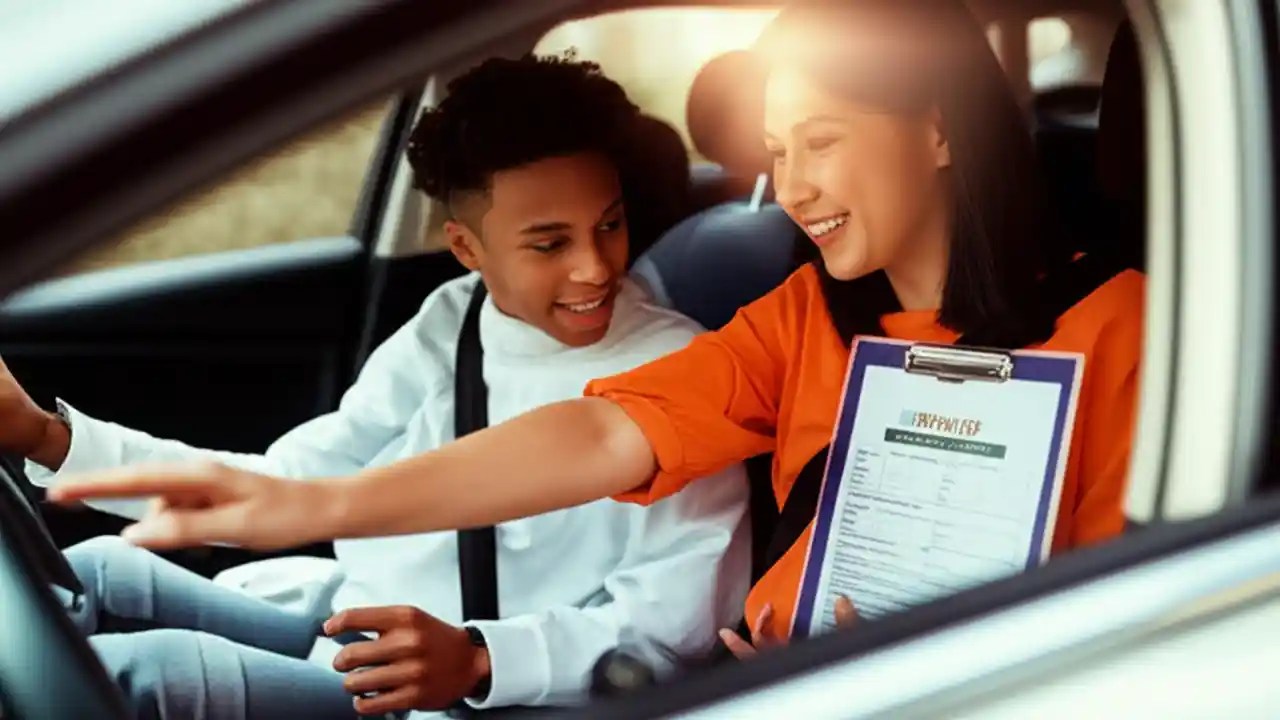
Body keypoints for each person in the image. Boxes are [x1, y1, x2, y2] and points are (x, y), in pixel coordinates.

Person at [52, 0, 1144, 662]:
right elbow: (600, 433)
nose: (792, 188)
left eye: (821, 142)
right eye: (776, 151)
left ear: (938, 130)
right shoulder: (802, 317)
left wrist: (931, 656)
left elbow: (1126, 613)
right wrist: (319, 505)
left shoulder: (1117, 327)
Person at [10, 53, 750, 719]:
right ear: (467, 248)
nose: (594, 267)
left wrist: (481, 657)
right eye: (549, 243)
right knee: (99, 571)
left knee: (146, 675)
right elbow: (292, 480)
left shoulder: (680, 376)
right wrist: (48, 437)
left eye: (610, 226)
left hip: (464, 690)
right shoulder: (455, 320)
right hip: (357, 621)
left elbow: (673, 630)